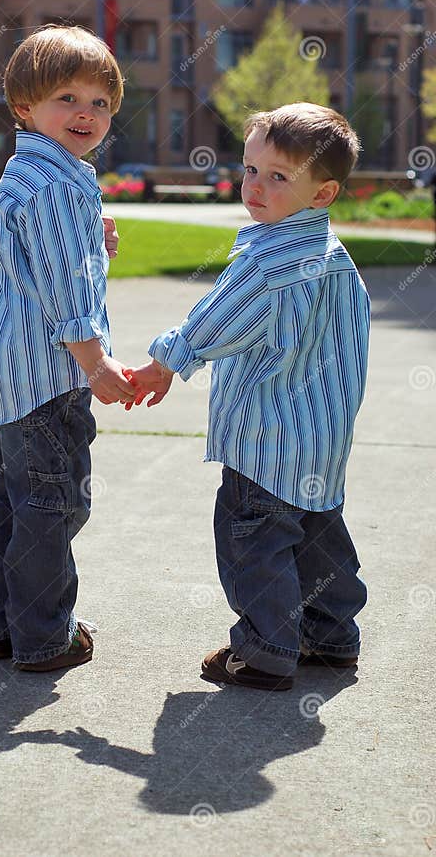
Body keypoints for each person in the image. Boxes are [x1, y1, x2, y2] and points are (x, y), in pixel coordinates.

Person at [128, 103, 370, 691]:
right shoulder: (337, 261)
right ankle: (331, 636)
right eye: (250, 169)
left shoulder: (265, 263)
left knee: (255, 547)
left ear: (323, 192)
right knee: (318, 538)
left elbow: (215, 323)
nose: (255, 186)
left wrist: (166, 363)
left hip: (264, 443)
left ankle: (265, 651)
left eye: (278, 176)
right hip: (321, 442)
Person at [0, 25, 136, 672]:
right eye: (68, 98)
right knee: (54, 504)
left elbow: (32, 265)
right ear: (25, 107)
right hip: (46, 383)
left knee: (9, 502)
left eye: (99, 101)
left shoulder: (24, 175)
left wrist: (94, 237)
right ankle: (43, 634)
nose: (86, 113)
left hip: (0, 382)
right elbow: (69, 292)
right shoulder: (60, 186)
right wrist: (95, 363)